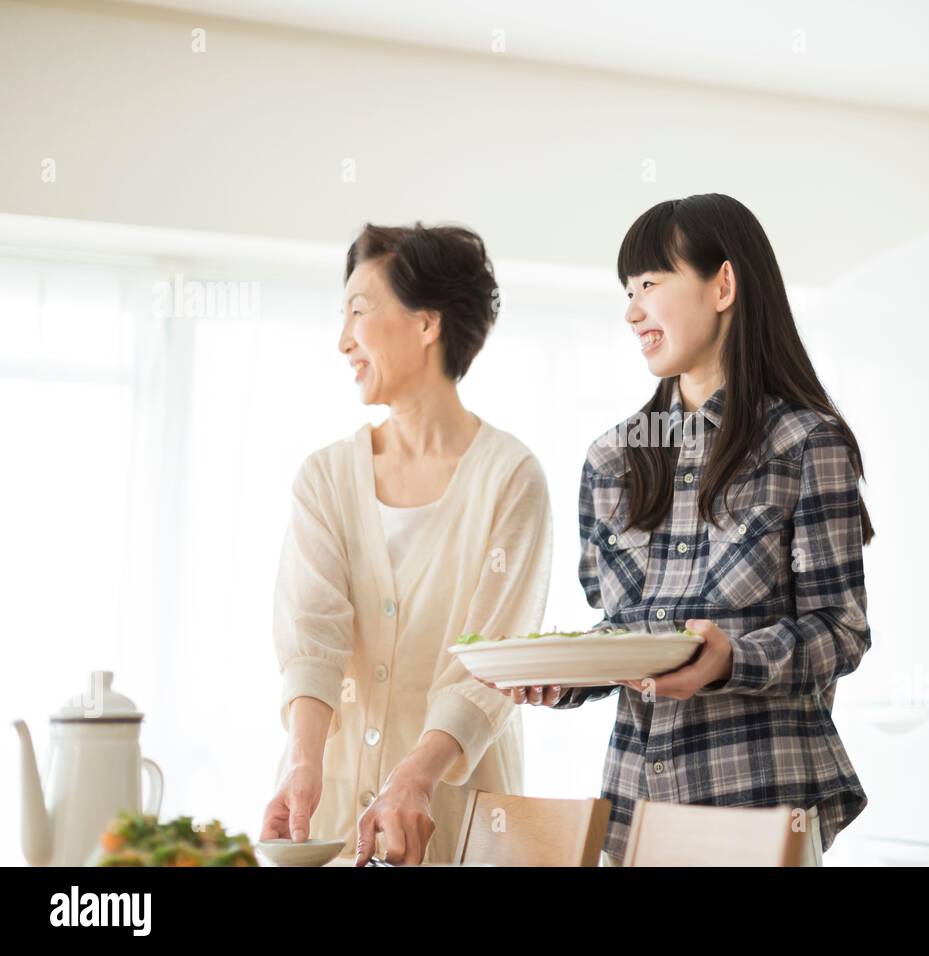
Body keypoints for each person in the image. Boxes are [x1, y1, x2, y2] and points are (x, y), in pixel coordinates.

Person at [485, 194, 873, 866]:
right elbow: (624, 637)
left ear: (723, 285)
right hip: (637, 813)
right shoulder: (612, 460)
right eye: (627, 291)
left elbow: (841, 632)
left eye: (650, 284)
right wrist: (560, 677)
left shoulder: (806, 443)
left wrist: (733, 660)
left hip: (762, 807)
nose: (633, 310)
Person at [260, 223, 552, 865]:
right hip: (327, 825)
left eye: (360, 312)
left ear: (427, 325)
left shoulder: (510, 477)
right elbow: (314, 638)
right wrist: (304, 761)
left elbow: (493, 664)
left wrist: (415, 777)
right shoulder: (326, 478)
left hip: (459, 826)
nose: (343, 341)